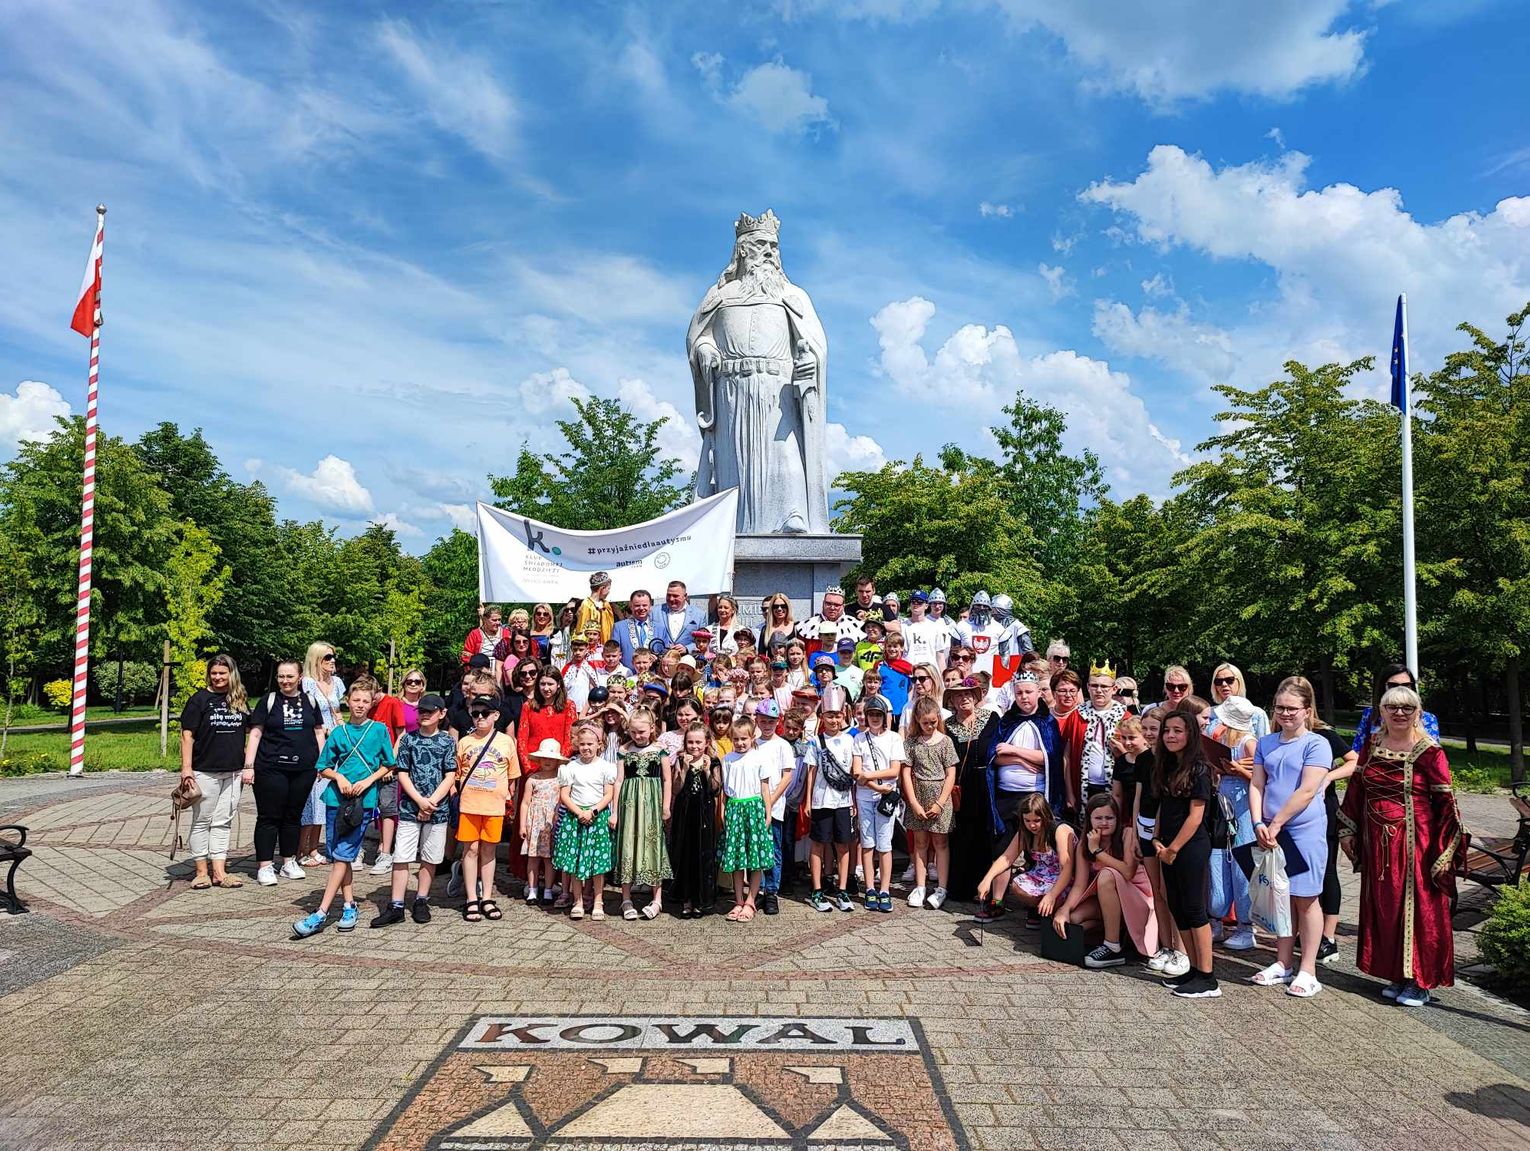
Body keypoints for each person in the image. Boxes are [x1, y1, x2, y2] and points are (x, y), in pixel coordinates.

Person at [1340, 684, 1461, 1006]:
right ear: (1381, 711)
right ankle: (1397, 973)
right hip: (1377, 844)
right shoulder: (1372, 744)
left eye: (1407, 708)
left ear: (1417, 713)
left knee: (1418, 909)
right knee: (1386, 907)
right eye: (1392, 707)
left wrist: (1443, 852)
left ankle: (1420, 980)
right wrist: (1347, 830)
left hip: (1416, 843)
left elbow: (1446, 804)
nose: (1399, 713)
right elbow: (1356, 788)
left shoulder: (1430, 752)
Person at [1246, 678, 1335, 999]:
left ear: (1307, 711)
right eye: (1280, 707)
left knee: (1305, 898)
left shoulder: (1317, 744)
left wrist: (1278, 823)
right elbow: (1257, 784)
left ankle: (1308, 969)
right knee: (1281, 897)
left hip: (1303, 831)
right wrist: (1258, 821)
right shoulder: (1266, 742)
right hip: (1271, 830)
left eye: (1292, 708)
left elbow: (1308, 789)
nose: (1285, 713)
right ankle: (1282, 962)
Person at [292, 683, 396, 938]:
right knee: (341, 855)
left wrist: (368, 781)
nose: (360, 705)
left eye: (365, 701)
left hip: (363, 801)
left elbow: (388, 764)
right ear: (347, 701)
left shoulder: (379, 730)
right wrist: (338, 777)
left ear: (371, 704)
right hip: (336, 799)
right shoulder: (339, 732)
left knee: (342, 855)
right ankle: (349, 905)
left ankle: (321, 912)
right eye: (356, 700)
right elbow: (323, 766)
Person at [1151, 709, 1219, 998]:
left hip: (1189, 847)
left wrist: (1174, 849)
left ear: (1191, 734)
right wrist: (1156, 838)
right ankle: (1193, 968)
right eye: (1167, 731)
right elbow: (1163, 806)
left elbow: (1195, 816)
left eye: (1177, 731)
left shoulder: (1199, 769)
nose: (1170, 736)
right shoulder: (1167, 765)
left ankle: (1208, 977)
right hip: (1167, 846)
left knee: (1193, 908)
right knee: (1177, 906)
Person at [371, 693, 455, 927]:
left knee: (430, 856)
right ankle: (396, 904)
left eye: (430, 711)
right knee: (402, 856)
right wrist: (419, 801)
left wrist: (431, 802)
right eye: (422, 711)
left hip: (437, 809)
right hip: (409, 807)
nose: (425, 715)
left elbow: (450, 774)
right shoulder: (409, 739)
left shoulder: (448, 741)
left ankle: (421, 900)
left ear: (442, 713)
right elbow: (402, 772)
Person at [1057, 795, 1160, 970]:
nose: (1104, 823)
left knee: (1106, 874)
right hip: (1109, 897)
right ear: (1089, 819)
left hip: (1139, 896)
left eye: (1109, 818)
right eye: (1098, 818)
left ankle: (1112, 945)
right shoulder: (1084, 844)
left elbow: (1128, 872)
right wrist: (1064, 910)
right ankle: (1117, 930)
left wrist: (1097, 851)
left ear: (1117, 819)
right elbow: (1080, 885)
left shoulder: (1127, 834)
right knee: (1073, 919)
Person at [247, 660, 326, 887]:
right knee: (269, 816)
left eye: (290, 676)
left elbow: (318, 732)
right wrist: (249, 766)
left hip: (304, 769)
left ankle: (288, 861)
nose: (285, 681)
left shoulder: (310, 701)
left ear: (299, 677)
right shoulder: (269, 701)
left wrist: (323, 763)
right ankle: (264, 865)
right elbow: (255, 733)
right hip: (271, 767)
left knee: (293, 816)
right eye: (281, 676)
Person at [178, 654, 250, 890]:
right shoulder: (199, 700)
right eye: (214, 673)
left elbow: (249, 731)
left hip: (233, 771)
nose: (218, 677)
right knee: (202, 820)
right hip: (204, 770)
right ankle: (201, 872)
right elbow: (187, 735)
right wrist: (186, 768)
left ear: (232, 674)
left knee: (223, 822)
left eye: (222, 673)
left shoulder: (239, 699)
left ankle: (219, 872)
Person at [454, 694, 520, 924]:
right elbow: (457, 773)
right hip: (470, 804)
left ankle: (487, 897)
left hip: (494, 806)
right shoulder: (465, 742)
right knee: (470, 849)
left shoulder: (506, 742)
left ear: (496, 715)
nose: (480, 717)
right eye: (475, 713)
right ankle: (471, 898)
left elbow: (512, 775)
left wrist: (509, 800)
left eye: (485, 713)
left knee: (489, 850)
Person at [1204, 695, 1260, 952]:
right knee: (1218, 860)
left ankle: (1246, 926)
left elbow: (1262, 779)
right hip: (1223, 803)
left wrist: (1240, 771)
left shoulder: (1249, 742)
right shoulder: (1222, 738)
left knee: (1241, 863)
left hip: (1243, 805)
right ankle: (1216, 917)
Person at [976, 793, 1075, 923]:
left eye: (1036, 821)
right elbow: (1007, 857)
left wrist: (1051, 896)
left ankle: (1049, 910)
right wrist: (987, 879)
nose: (1031, 825)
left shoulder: (1059, 830)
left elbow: (1066, 869)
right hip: (1043, 875)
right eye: (1027, 820)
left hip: (1066, 876)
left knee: (1053, 897)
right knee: (1017, 885)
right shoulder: (1024, 832)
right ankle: (1037, 909)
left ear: (1045, 816)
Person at [555, 721, 619, 921]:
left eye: (590, 744)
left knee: (597, 863)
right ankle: (578, 901)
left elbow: (608, 794)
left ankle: (598, 901)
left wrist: (593, 811)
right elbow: (565, 795)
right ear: (577, 744)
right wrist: (579, 813)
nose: (586, 748)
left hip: (597, 818)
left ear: (599, 744)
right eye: (582, 744)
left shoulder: (606, 767)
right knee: (575, 861)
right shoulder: (570, 767)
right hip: (575, 818)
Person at [945, 677, 1002, 901]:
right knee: (960, 835)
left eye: (968, 694)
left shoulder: (992, 718)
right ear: (951, 700)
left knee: (985, 835)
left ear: (976, 696)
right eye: (958, 695)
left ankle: (985, 888)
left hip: (987, 785)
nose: (964, 698)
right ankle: (960, 888)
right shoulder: (947, 725)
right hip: (959, 787)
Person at [614, 707, 672, 920]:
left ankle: (657, 899)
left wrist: (666, 806)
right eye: (633, 732)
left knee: (653, 843)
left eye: (641, 732)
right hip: (629, 804)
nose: (637, 736)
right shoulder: (624, 750)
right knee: (628, 845)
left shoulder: (660, 749)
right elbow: (619, 780)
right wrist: (614, 812)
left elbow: (667, 779)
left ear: (652, 728)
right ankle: (626, 898)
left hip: (652, 804)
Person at [717, 717, 777, 922]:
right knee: (736, 858)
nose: (740, 743)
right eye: (736, 739)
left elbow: (765, 788)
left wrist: (768, 813)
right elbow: (725, 791)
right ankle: (738, 900)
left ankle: (751, 900)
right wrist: (723, 812)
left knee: (755, 858)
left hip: (754, 809)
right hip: (734, 809)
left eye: (744, 738)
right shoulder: (727, 759)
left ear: (752, 738)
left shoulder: (759, 758)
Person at [804, 686, 857, 913]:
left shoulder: (850, 741)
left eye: (837, 716)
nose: (833, 720)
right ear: (822, 716)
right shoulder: (816, 742)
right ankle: (817, 889)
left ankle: (842, 888)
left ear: (843, 715)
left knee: (843, 845)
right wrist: (808, 800)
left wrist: (854, 801)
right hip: (821, 800)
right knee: (818, 843)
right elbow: (811, 772)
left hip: (844, 801)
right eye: (829, 716)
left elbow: (853, 774)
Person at [901, 697, 957, 909]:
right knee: (920, 843)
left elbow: (951, 774)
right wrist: (914, 803)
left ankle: (941, 887)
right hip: (919, 796)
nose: (930, 726)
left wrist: (940, 803)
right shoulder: (911, 743)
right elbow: (906, 774)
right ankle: (920, 886)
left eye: (933, 722)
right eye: (925, 722)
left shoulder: (945, 741)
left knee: (941, 843)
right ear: (917, 720)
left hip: (940, 798)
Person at [852, 695, 904, 913]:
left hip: (886, 798)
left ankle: (884, 889)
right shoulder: (859, 739)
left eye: (878, 715)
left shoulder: (894, 738)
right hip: (866, 796)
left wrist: (869, 776)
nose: (874, 718)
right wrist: (876, 786)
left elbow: (895, 770)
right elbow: (857, 772)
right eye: (871, 714)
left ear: (885, 717)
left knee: (885, 844)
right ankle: (870, 888)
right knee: (868, 843)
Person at [298, 641, 346, 866]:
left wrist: (339, 726)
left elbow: (337, 710)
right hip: (314, 740)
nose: (332, 661)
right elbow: (304, 714)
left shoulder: (337, 683)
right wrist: (322, 729)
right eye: (327, 657)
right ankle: (301, 848)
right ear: (316, 659)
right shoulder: (307, 683)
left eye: (333, 656)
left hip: (334, 744)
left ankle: (314, 847)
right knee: (311, 796)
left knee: (324, 796)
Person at [991, 674, 1051, 846]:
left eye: (1028, 692)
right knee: (1003, 846)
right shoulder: (1007, 722)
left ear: (1039, 692)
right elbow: (994, 757)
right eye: (1019, 693)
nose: (1024, 697)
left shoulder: (1047, 722)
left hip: (1034, 792)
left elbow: (1048, 758)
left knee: (1034, 845)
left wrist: (1014, 750)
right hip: (1006, 793)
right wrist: (1020, 761)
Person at [669, 721, 721, 918]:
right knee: (685, 854)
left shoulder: (713, 761)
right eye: (690, 742)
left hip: (704, 814)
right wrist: (683, 769)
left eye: (698, 742)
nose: (694, 746)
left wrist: (707, 771)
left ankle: (701, 900)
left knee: (703, 855)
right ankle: (686, 899)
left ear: (706, 742)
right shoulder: (680, 759)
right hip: (684, 813)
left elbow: (716, 789)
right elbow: (676, 789)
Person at [752, 700, 795, 916]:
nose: (767, 725)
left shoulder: (783, 745)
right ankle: (757, 889)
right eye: (763, 721)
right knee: (756, 848)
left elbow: (787, 776)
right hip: (754, 805)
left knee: (773, 849)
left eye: (771, 721)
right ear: (757, 721)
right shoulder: (753, 743)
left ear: (778, 721)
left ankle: (771, 891)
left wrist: (770, 799)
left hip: (775, 806)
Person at [1352, 664, 1440, 752]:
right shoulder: (1370, 714)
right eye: (1392, 685)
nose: (1399, 689)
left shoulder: (1428, 718)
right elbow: (1358, 750)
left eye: (1406, 685)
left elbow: (1432, 753)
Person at [520, 738, 567, 905]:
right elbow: (525, 803)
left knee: (549, 858)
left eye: (551, 758)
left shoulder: (560, 780)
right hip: (535, 822)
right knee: (533, 857)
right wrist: (522, 825)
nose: (547, 761)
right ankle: (532, 890)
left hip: (552, 822)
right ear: (539, 759)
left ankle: (548, 889)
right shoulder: (533, 779)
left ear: (557, 761)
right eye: (544, 758)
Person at [1077, 661, 1128, 811]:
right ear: (1088, 687)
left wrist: (1122, 752)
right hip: (1084, 786)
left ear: (1114, 689)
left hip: (1116, 787)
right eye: (1094, 685)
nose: (1099, 690)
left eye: (1104, 686)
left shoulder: (1125, 718)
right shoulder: (1077, 715)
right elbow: (1067, 754)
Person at [1210, 663, 1269, 737]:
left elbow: (1264, 743)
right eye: (1218, 681)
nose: (1224, 684)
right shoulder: (1209, 713)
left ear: (1239, 682)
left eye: (1229, 680)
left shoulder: (1257, 714)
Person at [956, 591, 1006, 678]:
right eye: (978, 605)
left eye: (984, 606)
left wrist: (1001, 675)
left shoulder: (999, 628)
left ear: (989, 608)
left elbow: (1005, 655)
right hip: (966, 673)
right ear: (973, 607)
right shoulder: (961, 626)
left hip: (990, 674)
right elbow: (954, 652)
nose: (981, 608)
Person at [614, 589, 658, 668]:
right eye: (637, 605)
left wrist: (658, 658)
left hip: (653, 673)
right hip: (627, 674)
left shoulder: (660, 628)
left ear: (650, 606)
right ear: (631, 606)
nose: (641, 608)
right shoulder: (619, 628)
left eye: (644, 605)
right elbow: (613, 653)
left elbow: (665, 654)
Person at [461, 605, 507, 671]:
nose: (498, 623)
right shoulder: (475, 634)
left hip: (501, 671)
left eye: (499, 620)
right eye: (494, 620)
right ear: (485, 619)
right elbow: (466, 656)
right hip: (480, 671)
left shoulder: (506, 633)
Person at [576, 572, 616, 644]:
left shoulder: (606, 605)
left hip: (606, 645)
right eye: (608, 588)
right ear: (602, 588)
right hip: (592, 646)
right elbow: (581, 630)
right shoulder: (587, 604)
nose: (608, 592)